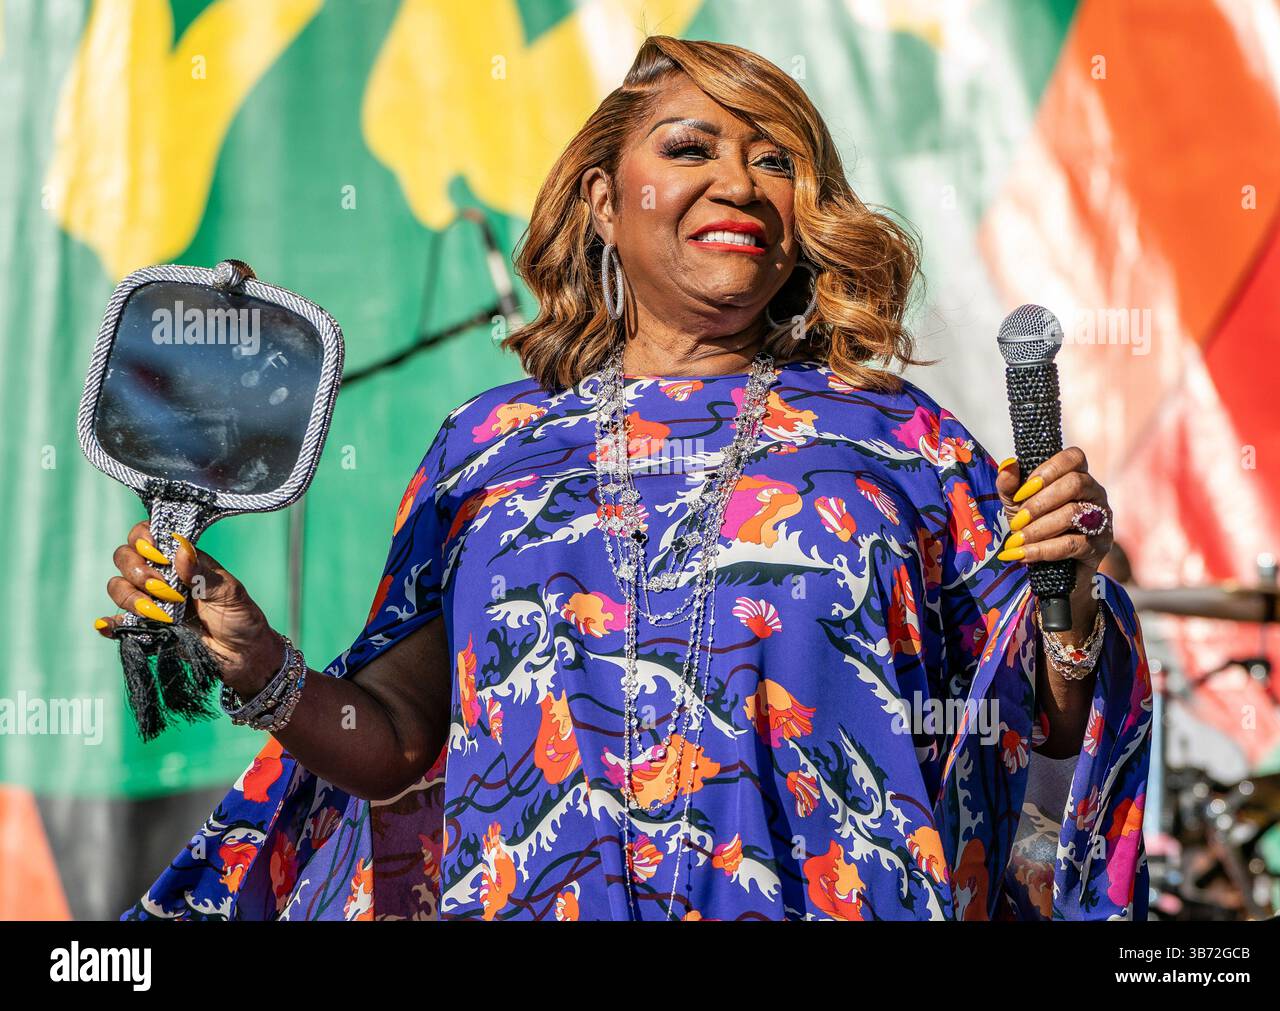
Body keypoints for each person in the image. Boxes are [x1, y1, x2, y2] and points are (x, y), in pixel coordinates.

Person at [100, 36, 1152, 921]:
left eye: (777, 161)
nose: (739, 183)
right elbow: (391, 746)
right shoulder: (489, 447)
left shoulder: (902, 443)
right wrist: (261, 667)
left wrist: (1067, 605)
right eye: (692, 148)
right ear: (604, 202)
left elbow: (1043, 722)